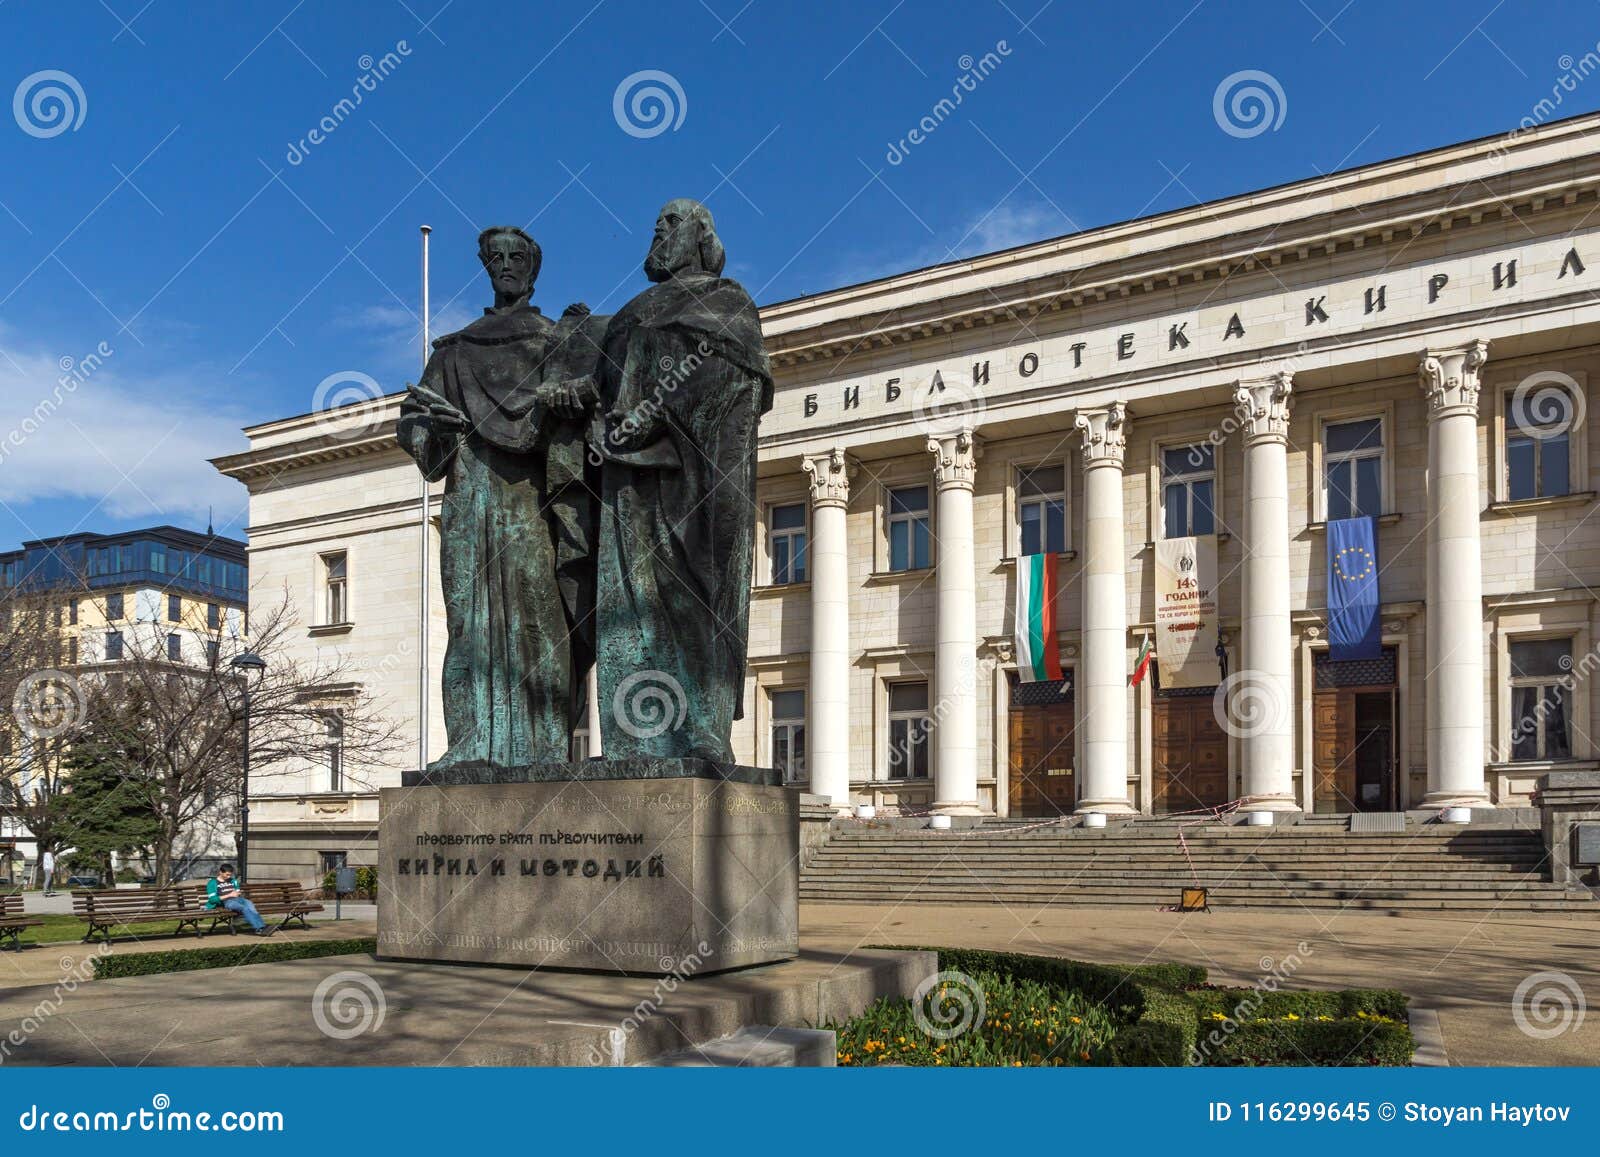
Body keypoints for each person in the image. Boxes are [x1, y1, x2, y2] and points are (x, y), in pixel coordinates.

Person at [396, 225, 600, 769]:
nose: (506, 265)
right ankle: (469, 746)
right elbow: (416, 425)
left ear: (533, 269)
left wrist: (569, 401)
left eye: (516, 257)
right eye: (496, 258)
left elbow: (585, 420)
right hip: (470, 499)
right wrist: (436, 429)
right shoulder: (453, 353)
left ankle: (542, 752)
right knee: (470, 623)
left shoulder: (555, 342)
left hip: (532, 503)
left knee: (540, 620)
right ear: (486, 267)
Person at [206, 864, 272, 936]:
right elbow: (212, 900)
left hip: (238, 899)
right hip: (227, 902)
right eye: (227, 875)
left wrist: (238, 893)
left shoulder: (233, 881)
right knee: (244, 908)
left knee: (251, 906)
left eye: (230, 875)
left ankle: (262, 927)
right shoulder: (212, 883)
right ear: (220, 872)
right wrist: (229, 895)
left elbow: (237, 891)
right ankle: (259, 929)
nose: (229, 877)